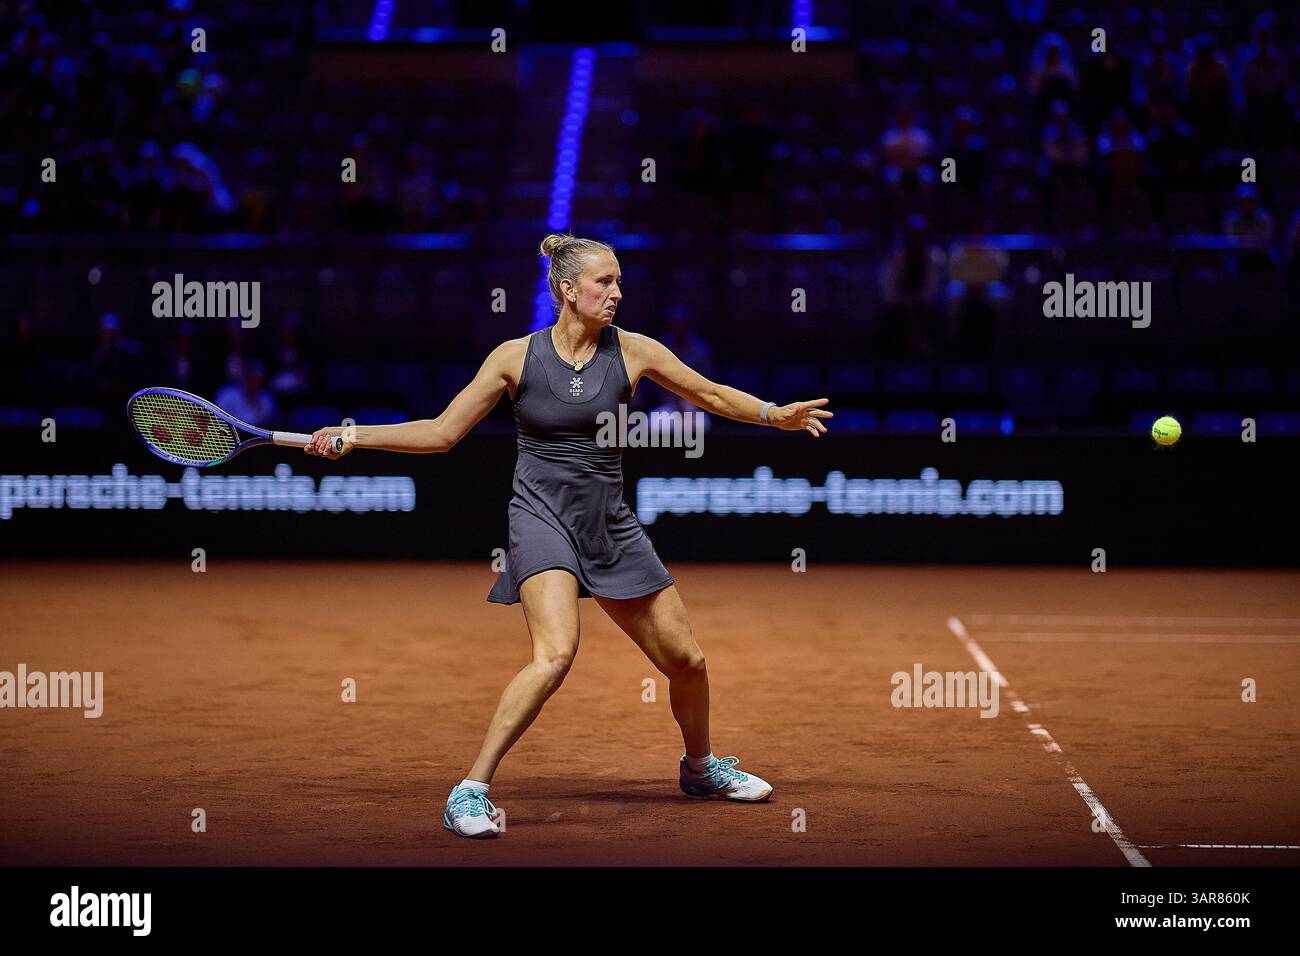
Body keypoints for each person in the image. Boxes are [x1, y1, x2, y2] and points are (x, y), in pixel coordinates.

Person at [305, 233, 832, 838]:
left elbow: (709, 394)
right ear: (567, 289)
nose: (617, 292)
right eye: (604, 281)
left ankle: (699, 768)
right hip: (540, 519)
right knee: (555, 654)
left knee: (688, 662)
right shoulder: (514, 358)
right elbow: (442, 432)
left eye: (618, 281)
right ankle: (470, 790)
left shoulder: (634, 351)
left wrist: (772, 414)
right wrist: (355, 435)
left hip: (608, 524)